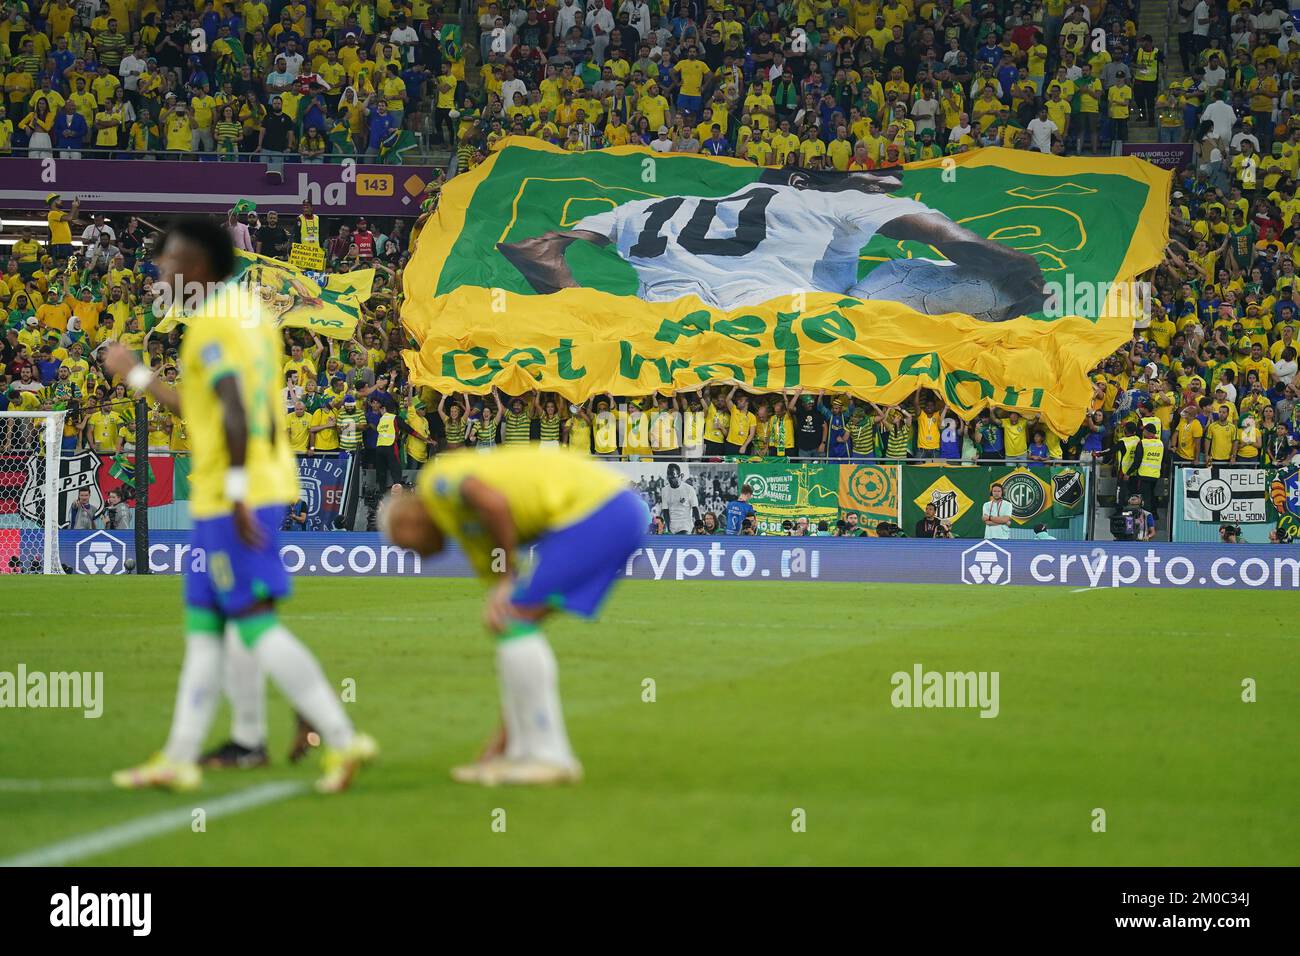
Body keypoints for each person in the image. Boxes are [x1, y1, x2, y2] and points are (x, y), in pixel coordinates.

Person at [103, 219, 375, 794]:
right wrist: (138, 376)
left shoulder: (213, 325)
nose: (161, 270)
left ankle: (342, 737)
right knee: (208, 625)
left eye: (170, 259)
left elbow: (231, 411)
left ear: (199, 265)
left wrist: (233, 494)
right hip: (245, 484)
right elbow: (201, 407)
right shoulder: (252, 316)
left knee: (250, 623)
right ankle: (201, 751)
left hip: (237, 491)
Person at [378, 447, 650, 786]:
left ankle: (549, 757)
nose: (413, 556)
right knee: (512, 625)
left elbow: (494, 503)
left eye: (406, 547)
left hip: (600, 510)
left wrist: (506, 578)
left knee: (514, 621)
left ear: (409, 521)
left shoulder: (437, 481)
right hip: (610, 510)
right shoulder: (470, 535)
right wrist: (495, 746)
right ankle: (516, 753)